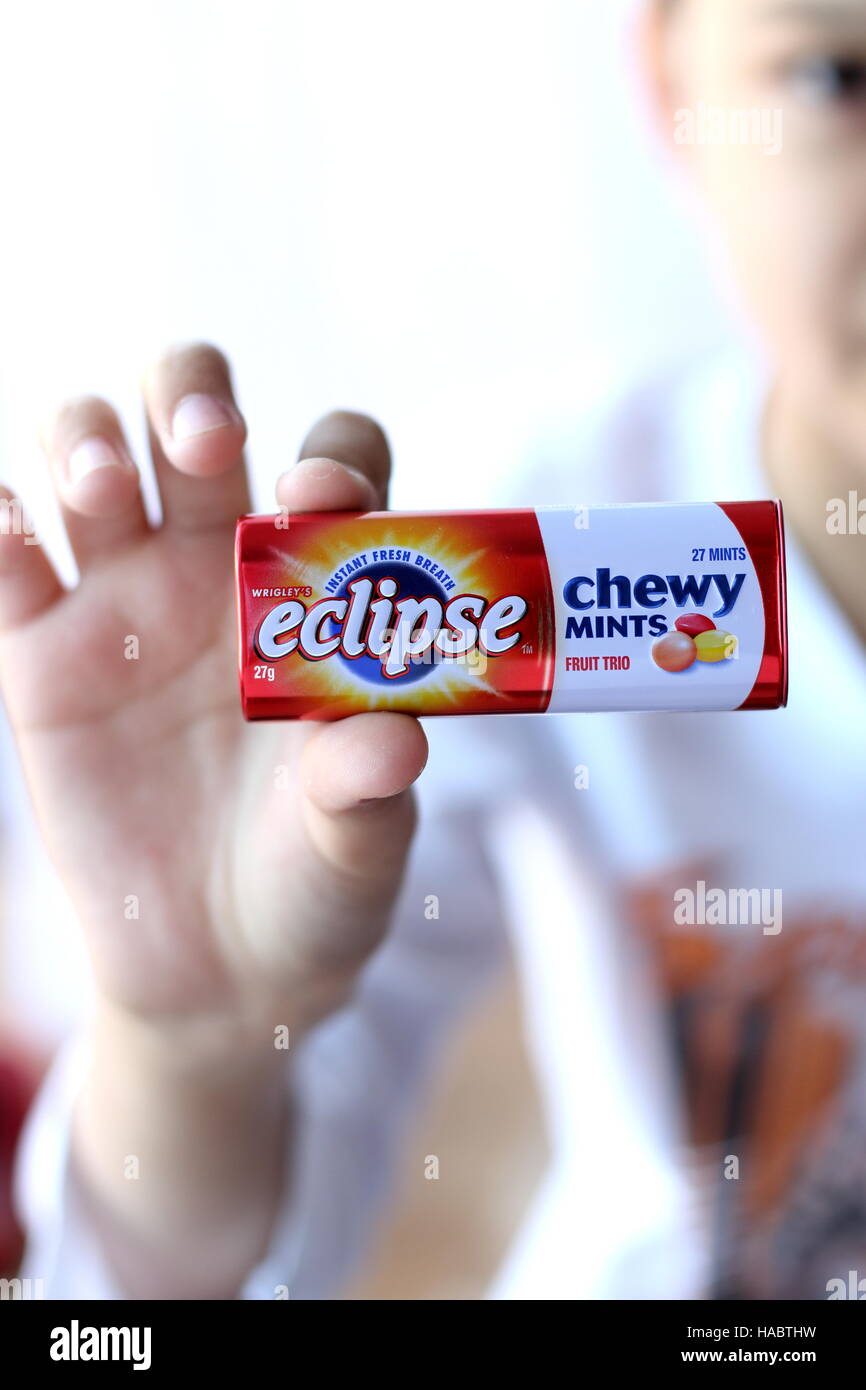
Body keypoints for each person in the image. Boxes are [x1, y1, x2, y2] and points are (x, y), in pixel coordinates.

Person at [5, 0, 866, 1299]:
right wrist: (193, 1048)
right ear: (670, 76)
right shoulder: (536, 533)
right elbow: (140, 1300)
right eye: (832, 74)